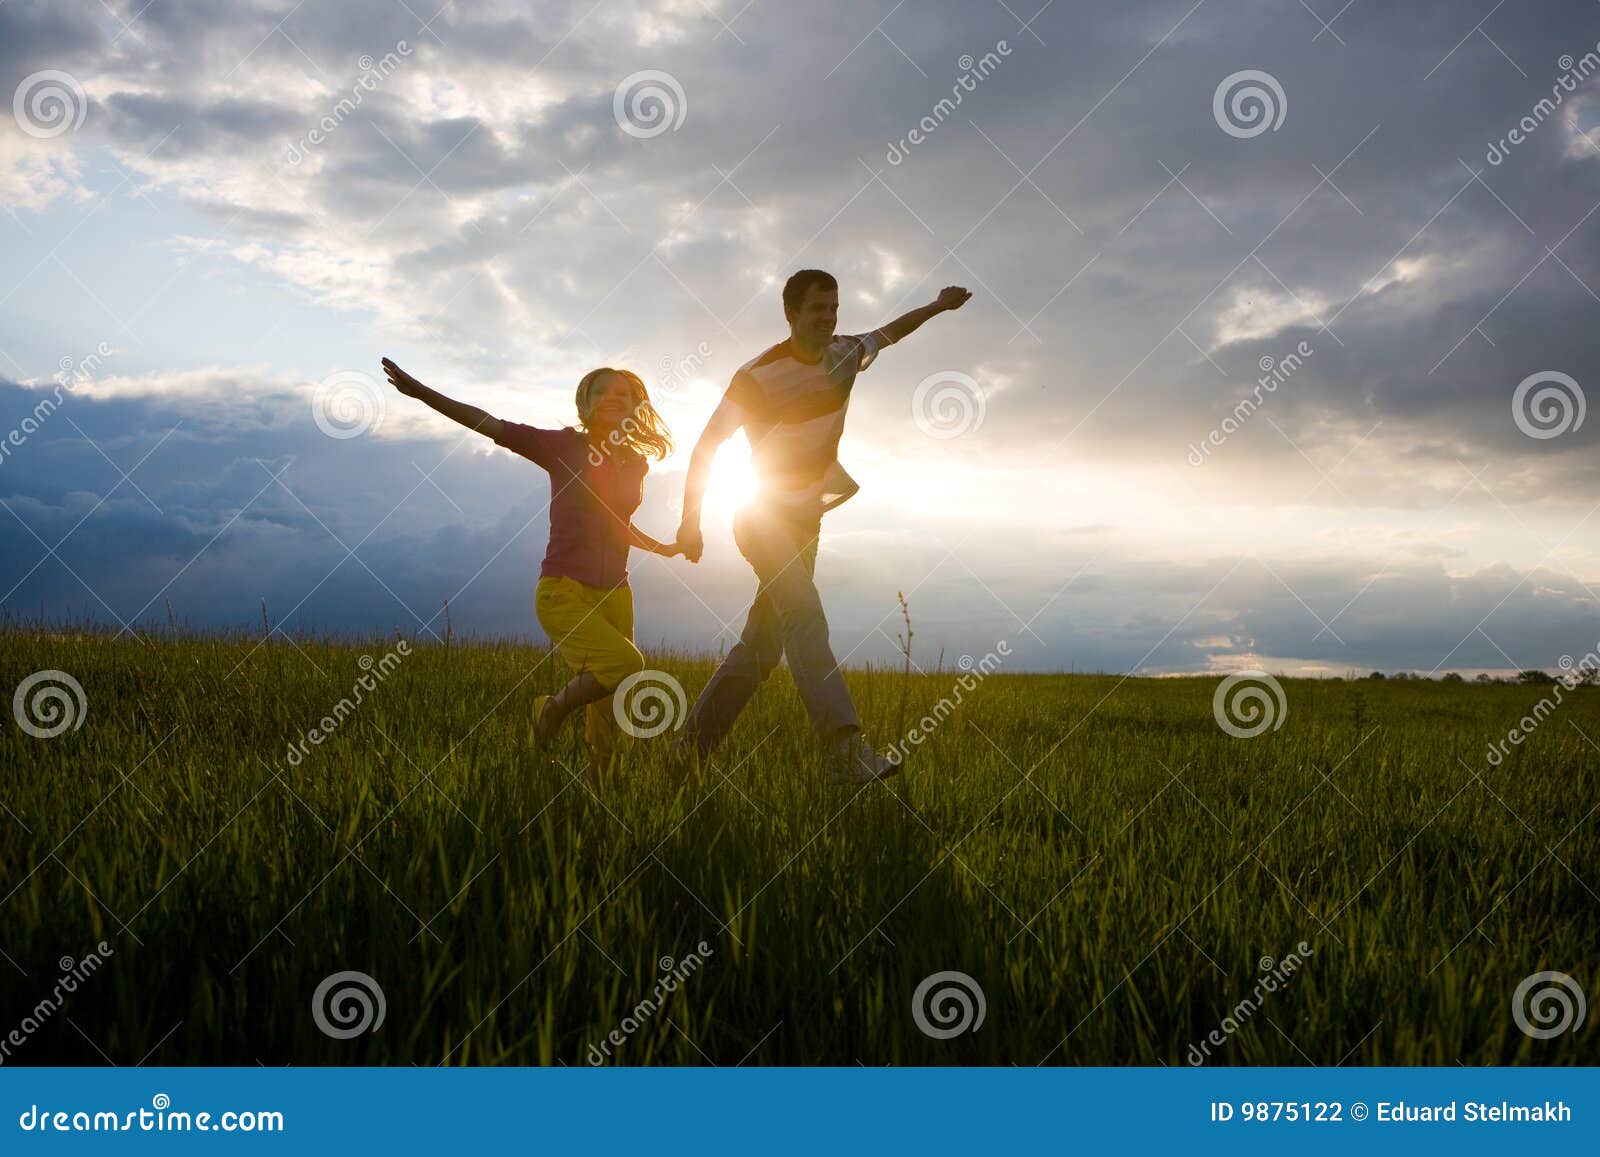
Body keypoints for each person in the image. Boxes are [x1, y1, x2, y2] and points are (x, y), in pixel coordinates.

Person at [673, 270, 973, 784]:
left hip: (804, 521)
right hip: (760, 517)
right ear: (790, 313)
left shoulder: (843, 354)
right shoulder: (757, 376)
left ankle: (687, 751)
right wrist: (690, 523)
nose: (828, 318)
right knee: (806, 614)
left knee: (761, 650)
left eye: (834, 308)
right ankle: (843, 751)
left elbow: (891, 332)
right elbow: (706, 446)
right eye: (817, 309)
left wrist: (938, 305)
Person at [380, 358, 680, 778]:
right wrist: (424, 394)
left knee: (613, 705)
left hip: (616, 592)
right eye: (602, 392)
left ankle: (600, 791)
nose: (613, 399)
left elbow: (617, 523)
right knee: (627, 665)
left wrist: (662, 547)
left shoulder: (635, 463)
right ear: (585, 404)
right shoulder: (561, 447)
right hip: (564, 591)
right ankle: (552, 709)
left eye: (623, 394)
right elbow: (490, 424)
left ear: (634, 407)